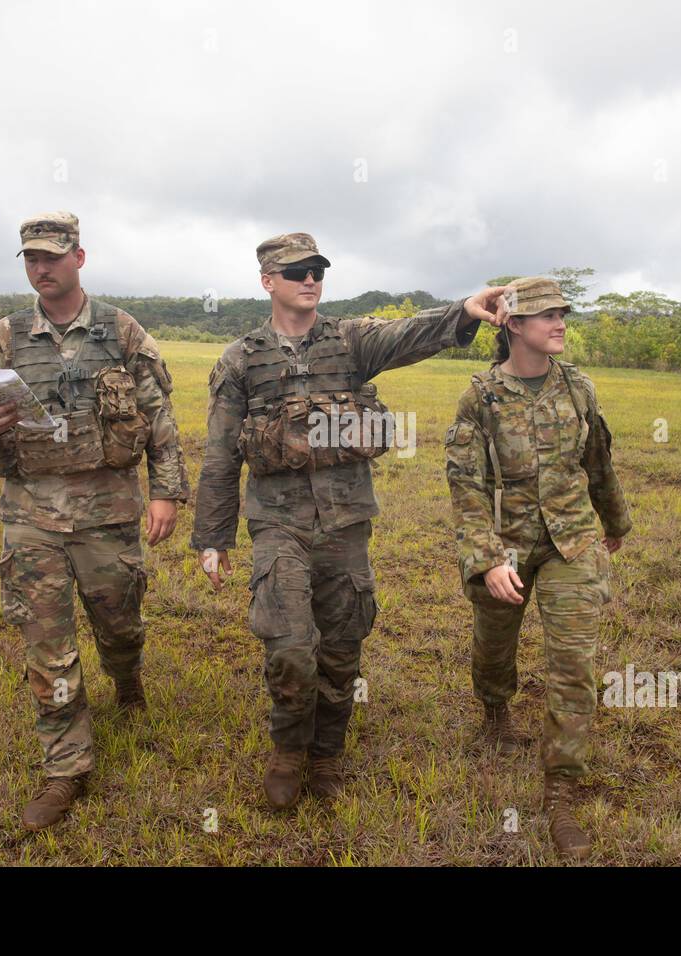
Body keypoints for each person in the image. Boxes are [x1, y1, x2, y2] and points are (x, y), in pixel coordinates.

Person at [191, 231, 509, 809]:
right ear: (268, 282)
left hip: (345, 522)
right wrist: (213, 538)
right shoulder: (240, 359)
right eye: (296, 272)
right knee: (288, 644)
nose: (310, 279)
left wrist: (463, 312)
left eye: (317, 270)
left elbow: (407, 334)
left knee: (341, 647)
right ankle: (288, 750)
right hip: (278, 524)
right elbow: (219, 456)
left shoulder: (351, 341)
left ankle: (327, 755)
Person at [0, 211, 189, 830]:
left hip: (108, 513)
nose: (40, 268)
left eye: (51, 257)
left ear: (79, 258)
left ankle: (126, 678)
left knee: (119, 624)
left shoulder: (121, 330)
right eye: (30, 259)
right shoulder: (6, 335)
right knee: (47, 644)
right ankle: (65, 767)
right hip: (30, 515)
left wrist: (165, 492)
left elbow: (159, 415)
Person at [443, 275, 632, 859]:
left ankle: (561, 789)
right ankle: (495, 707)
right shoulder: (481, 397)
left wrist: (615, 523)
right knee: (494, 644)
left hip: (572, 544)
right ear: (513, 325)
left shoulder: (578, 388)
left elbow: (598, 459)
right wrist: (489, 558)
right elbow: (466, 486)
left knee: (573, 662)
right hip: (507, 545)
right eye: (546, 315)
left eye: (563, 314)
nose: (560, 324)